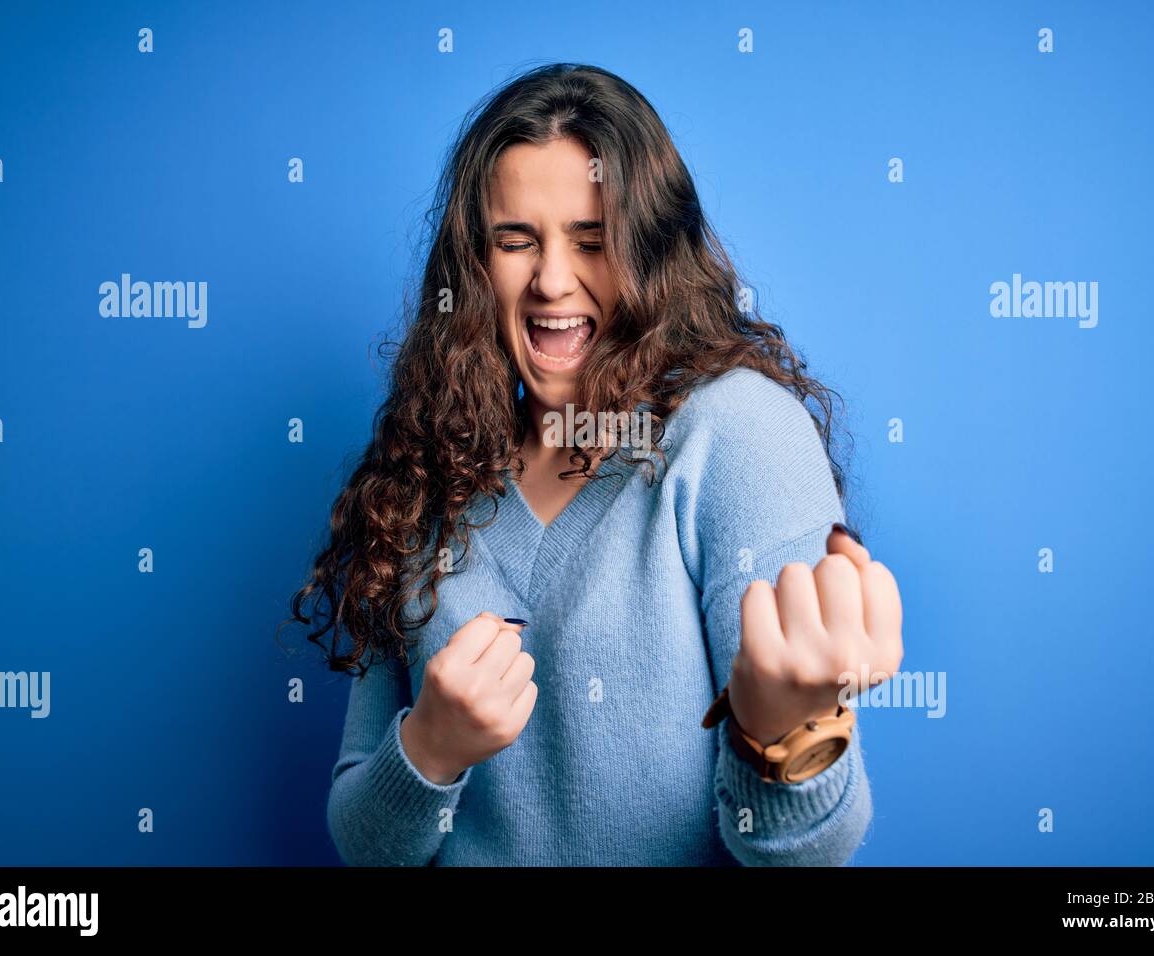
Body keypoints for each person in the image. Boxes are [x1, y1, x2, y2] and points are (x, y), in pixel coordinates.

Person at [287, 62, 904, 866]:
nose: (551, 280)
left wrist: (778, 736)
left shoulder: (737, 434)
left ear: (651, 254)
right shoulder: (423, 474)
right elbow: (362, 841)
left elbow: (806, 852)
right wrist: (428, 750)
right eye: (516, 240)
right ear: (475, 266)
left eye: (592, 240)